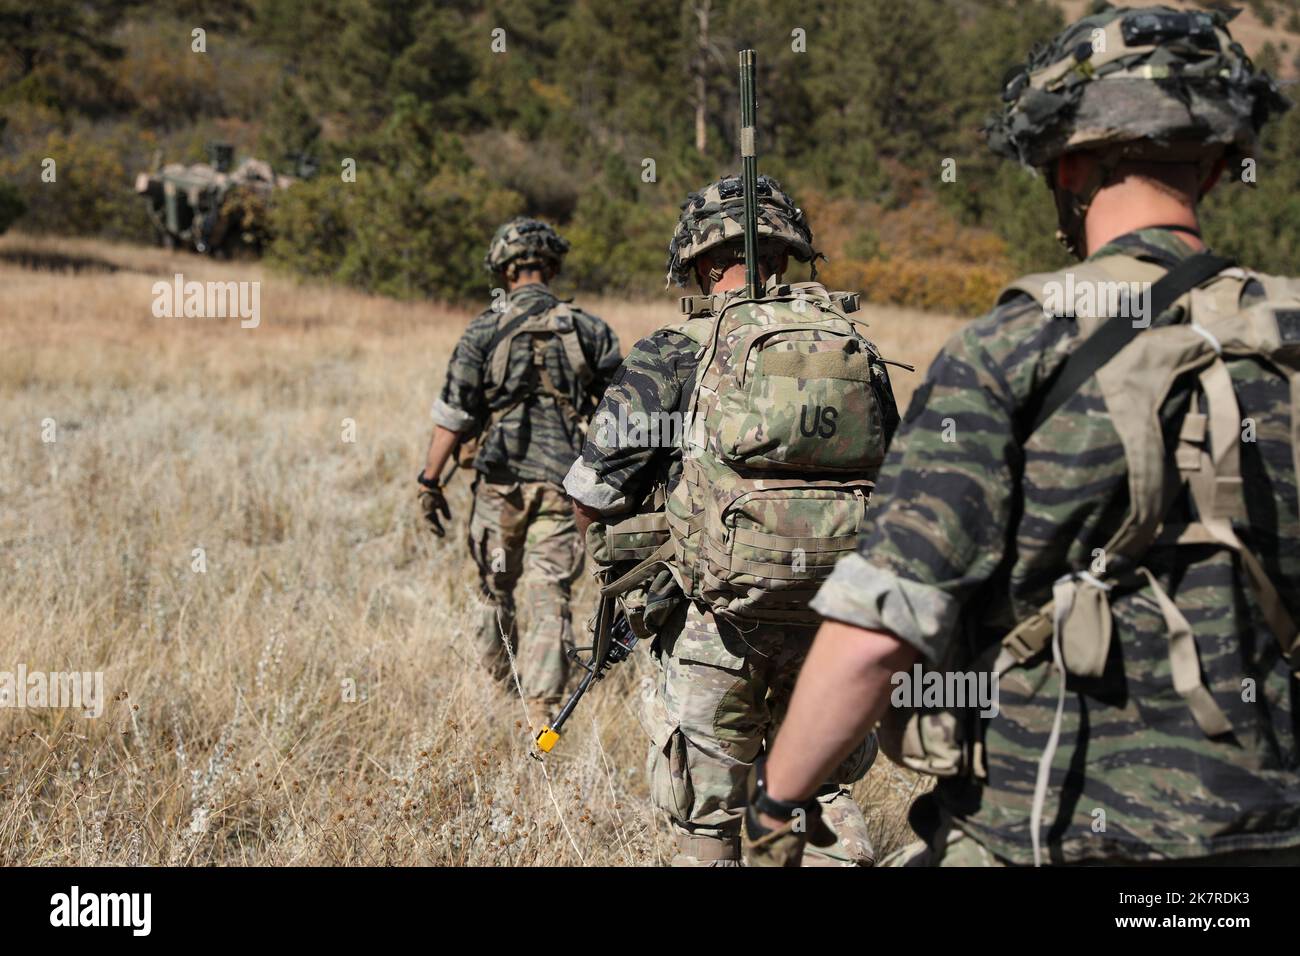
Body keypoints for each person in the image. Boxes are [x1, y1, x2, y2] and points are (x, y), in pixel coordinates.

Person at [744, 3, 1300, 867]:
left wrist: (774, 806)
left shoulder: (1009, 352)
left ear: (1069, 166)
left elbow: (879, 632)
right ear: (1220, 167)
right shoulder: (1290, 336)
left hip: (1043, 830)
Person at [564, 175, 900, 866]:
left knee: (709, 825)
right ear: (786, 254)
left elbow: (595, 490)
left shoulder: (675, 348)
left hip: (713, 622)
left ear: (702, 263)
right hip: (833, 626)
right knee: (819, 800)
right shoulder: (852, 347)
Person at [418, 217, 621, 717]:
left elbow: (453, 416)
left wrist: (428, 481)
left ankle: (499, 688)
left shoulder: (484, 329)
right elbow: (622, 414)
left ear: (506, 270)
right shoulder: (590, 329)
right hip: (565, 484)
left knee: (494, 588)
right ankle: (541, 709)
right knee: (550, 591)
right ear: (550, 268)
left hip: (500, 483)